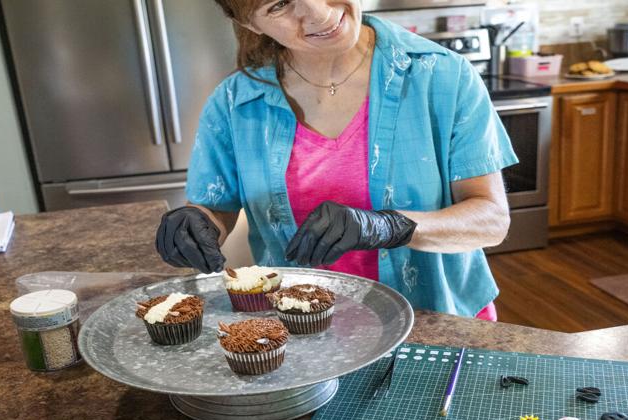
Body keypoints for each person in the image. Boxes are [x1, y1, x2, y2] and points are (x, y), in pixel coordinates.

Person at [155, 0, 517, 321]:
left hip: (435, 323)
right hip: (299, 333)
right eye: (279, 5)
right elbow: (214, 208)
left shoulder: (442, 76)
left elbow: (490, 220)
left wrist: (389, 227)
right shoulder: (234, 102)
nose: (320, 12)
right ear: (250, 23)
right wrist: (196, 224)